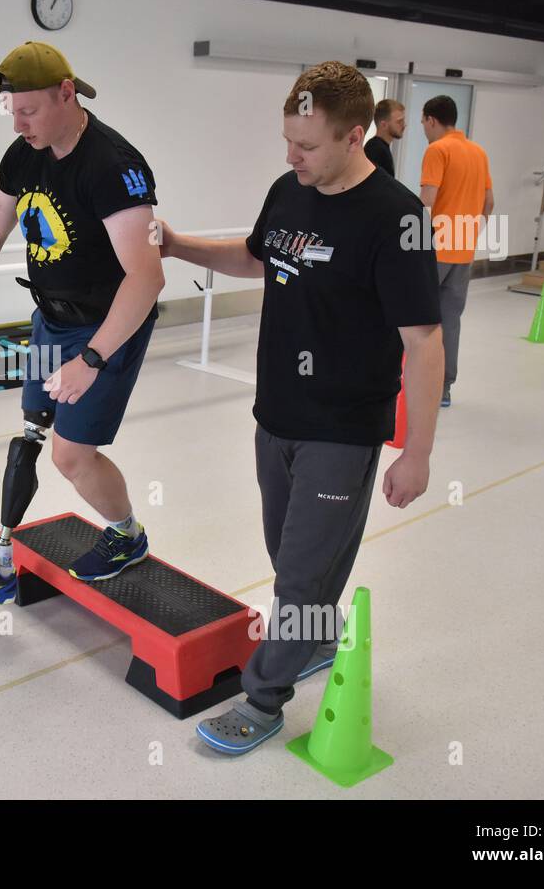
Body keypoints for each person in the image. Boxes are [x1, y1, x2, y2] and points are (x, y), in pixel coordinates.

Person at [158, 61, 444, 756]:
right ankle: (311, 637)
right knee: (286, 552)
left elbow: (426, 340)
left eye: (307, 145)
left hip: (343, 429)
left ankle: (263, 700)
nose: (292, 156)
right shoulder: (289, 190)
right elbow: (260, 259)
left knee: (301, 575)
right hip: (276, 415)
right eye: (288, 141)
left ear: (355, 135)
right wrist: (177, 243)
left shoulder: (396, 217)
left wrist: (418, 451)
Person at [0, 41, 165, 604]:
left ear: (66, 94)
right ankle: (1, 559)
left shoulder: (114, 165)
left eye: (28, 110)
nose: (18, 122)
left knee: (70, 454)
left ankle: (127, 535)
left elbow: (146, 279)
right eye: (11, 110)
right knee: (30, 434)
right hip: (52, 318)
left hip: (109, 325)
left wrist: (92, 359)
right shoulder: (23, 155)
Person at [419, 94, 493, 407]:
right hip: (463, 251)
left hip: (434, 249)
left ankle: (411, 384)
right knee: (450, 320)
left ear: (432, 120)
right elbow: (489, 203)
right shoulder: (478, 152)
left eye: (423, 122)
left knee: (416, 318)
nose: (423, 128)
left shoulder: (437, 150)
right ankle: (443, 389)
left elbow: (426, 201)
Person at [364, 98, 404, 177]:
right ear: (383, 125)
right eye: (399, 121)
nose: (404, 125)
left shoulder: (380, 147)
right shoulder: (375, 149)